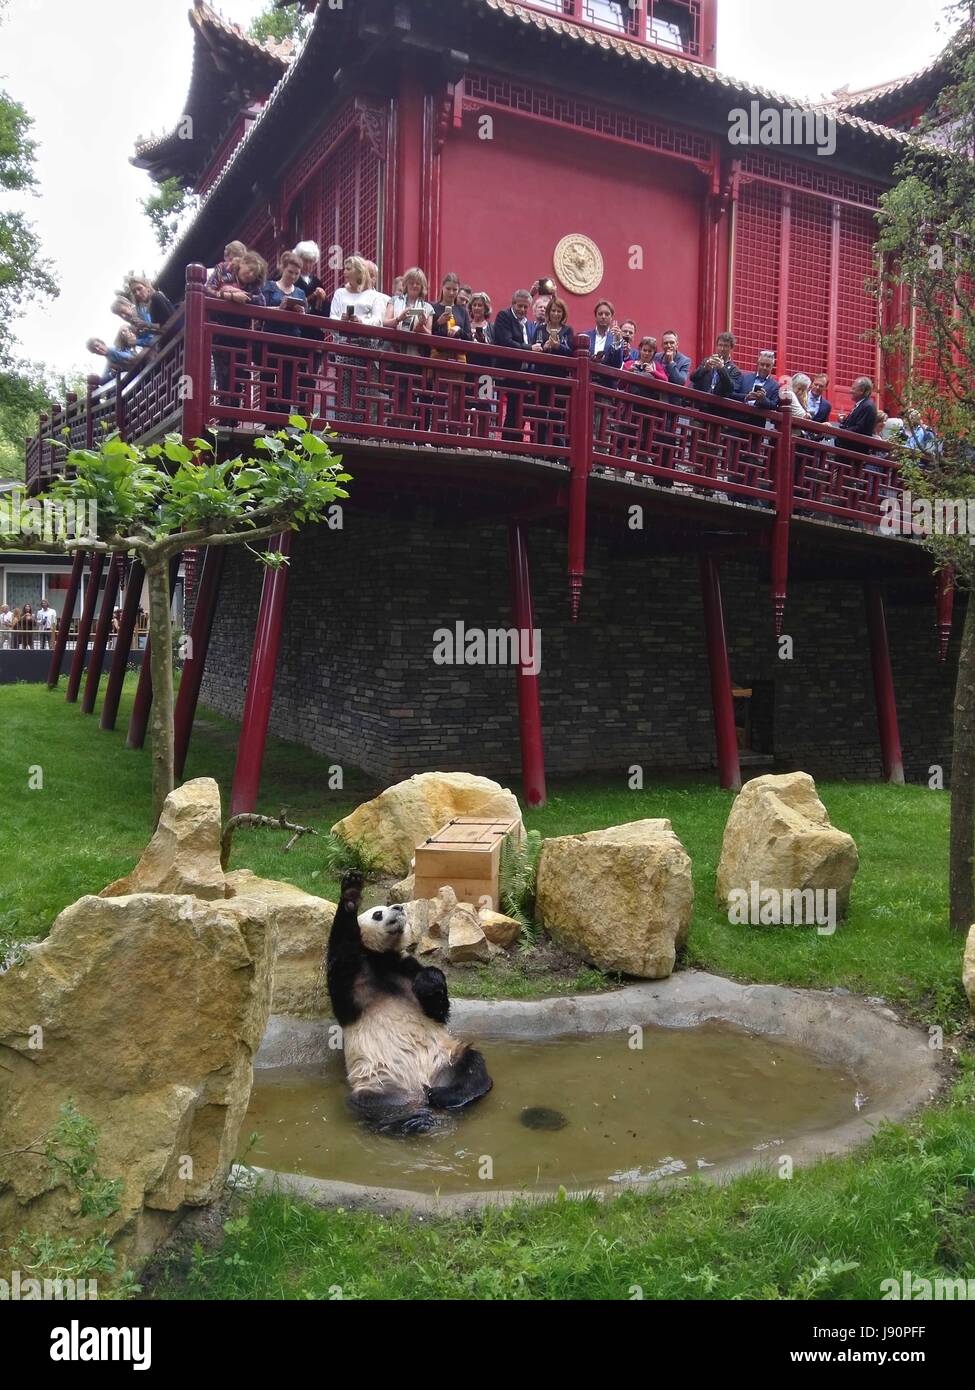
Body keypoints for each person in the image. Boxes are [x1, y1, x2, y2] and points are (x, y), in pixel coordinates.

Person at [262, 250, 310, 410]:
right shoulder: (269, 287)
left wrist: (301, 313)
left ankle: (283, 418)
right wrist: (279, 308)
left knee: (288, 381)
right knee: (268, 377)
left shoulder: (300, 292)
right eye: (290, 272)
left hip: (291, 342)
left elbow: (306, 319)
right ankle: (268, 417)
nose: (293, 276)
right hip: (271, 338)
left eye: (297, 273)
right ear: (282, 268)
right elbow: (261, 310)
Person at [531, 297, 574, 447]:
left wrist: (558, 347)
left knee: (557, 413)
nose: (556, 314)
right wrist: (544, 347)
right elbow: (533, 349)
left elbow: (571, 353)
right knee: (539, 411)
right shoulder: (539, 329)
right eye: (553, 310)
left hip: (559, 377)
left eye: (559, 311)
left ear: (563, 313)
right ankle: (537, 445)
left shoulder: (568, 331)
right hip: (541, 375)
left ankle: (556, 448)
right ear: (549, 312)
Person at [493, 289, 535, 434]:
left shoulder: (528, 324)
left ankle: (516, 443)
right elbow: (506, 341)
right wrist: (530, 348)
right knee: (511, 409)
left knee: (520, 409)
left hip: (524, 373)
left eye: (525, 307)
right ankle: (508, 443)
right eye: (519, 306)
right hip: (507, 371)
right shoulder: (504, 316)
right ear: (513, 304)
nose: (522, 310)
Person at [690, 332, 742, 399]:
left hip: (718, 406)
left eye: (726, 346)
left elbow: (729, 389)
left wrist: (721, 369)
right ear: (716, 346)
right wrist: (704, 369)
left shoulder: (735, 370)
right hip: (701, 403)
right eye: (720, 345)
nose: (722, 349)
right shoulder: (707, 361)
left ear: (731, 348)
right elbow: (692, 378)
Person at [431, 272, 473, 344]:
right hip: (437, 352)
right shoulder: (433, 308)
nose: (451, 293)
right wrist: (438, 323)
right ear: (442, 287)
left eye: (455, 290)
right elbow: (429, 332)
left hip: (458, 352)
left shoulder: (463, 312)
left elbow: (470, 338)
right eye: (448, 289)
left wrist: (459, 330)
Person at [736, 350, 781, 414]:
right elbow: (732, 394)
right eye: (762, 364)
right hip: (739, 416)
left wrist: (763, 399)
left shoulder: (775, 386)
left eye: (768, 365)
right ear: (758, 364)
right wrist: (746, 397)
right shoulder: (744, 377)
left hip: (758, 420)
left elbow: (774, 406)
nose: (764, 368)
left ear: (772, 367)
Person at [294, 240, 330, 315]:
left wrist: (323, 299)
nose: (308, 265)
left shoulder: (317, 282)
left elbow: (326, 312)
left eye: (311, 261)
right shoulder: (293, 279)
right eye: (305, 261)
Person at [585, 300, 626, 367]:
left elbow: (617, 365)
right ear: (595, 316)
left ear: (611, 317)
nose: (603, 317)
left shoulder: (616, 339)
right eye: (600, 314)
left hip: (606, 376)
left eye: (607, 314)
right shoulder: (586, 336)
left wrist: (617, 342)